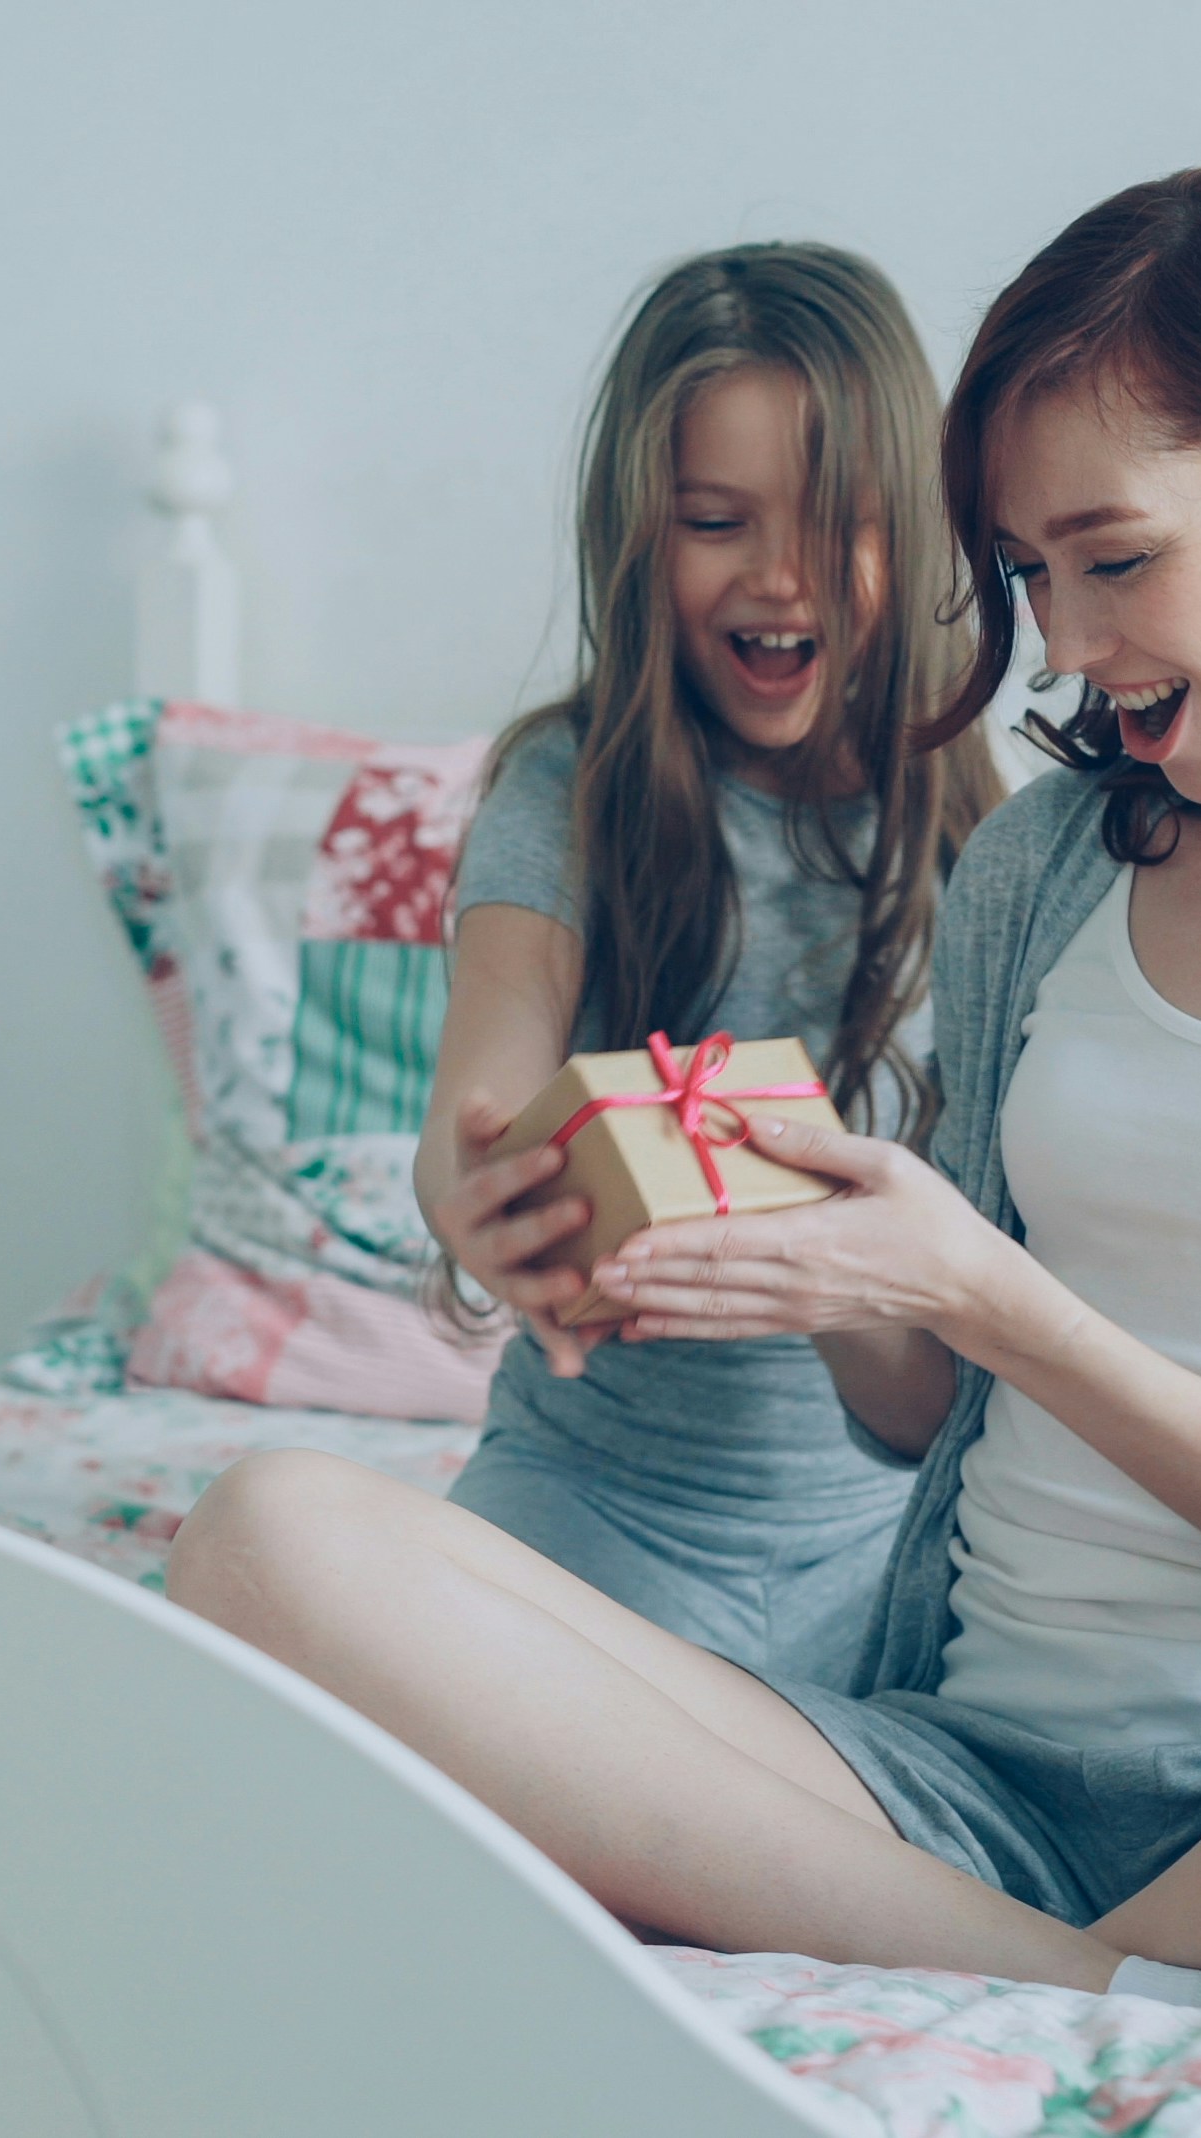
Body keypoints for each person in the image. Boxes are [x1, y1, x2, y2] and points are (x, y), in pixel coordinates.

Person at [173, 168, 1201, 2011]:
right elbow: (927, 1420)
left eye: (1117, 560)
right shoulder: (1045, 867)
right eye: (1029, 575)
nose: (1066, 647)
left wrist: (997, 1298)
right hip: (962, 1786)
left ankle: (1078, 1970)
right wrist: (833, 1264)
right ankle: (1112, 1990)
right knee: (269, 1538)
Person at [414, 242, 1002, 1681]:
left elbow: (938, 1401)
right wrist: (482, 1203)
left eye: (838, 522)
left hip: (889, 1545)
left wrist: (818, 1265)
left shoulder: (995, 854)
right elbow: (480, 1092)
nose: (781, 575)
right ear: (636, 537)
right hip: (586, 1502)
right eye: (715, 521)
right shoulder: (566, 792)